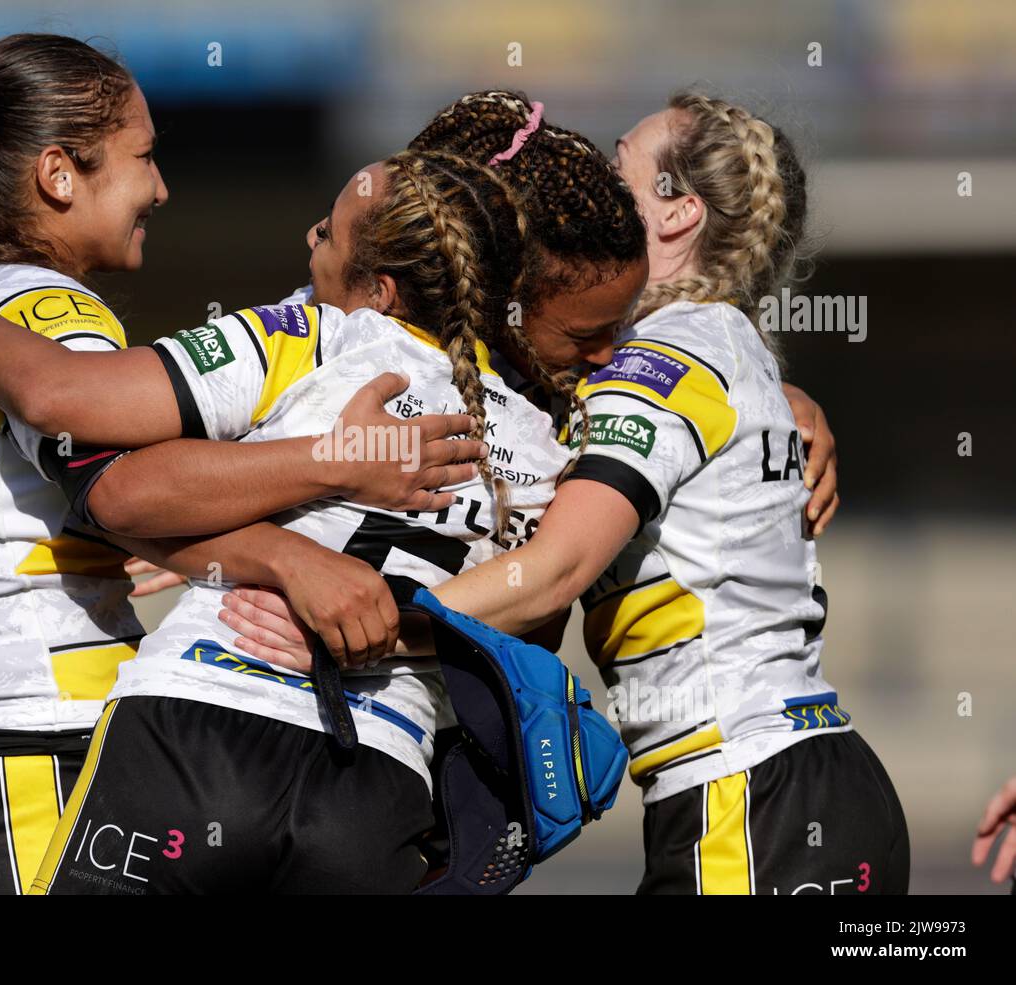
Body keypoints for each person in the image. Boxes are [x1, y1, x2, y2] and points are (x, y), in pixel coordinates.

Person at [219, 91, 907, 895]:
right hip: (784, 781)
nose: (589, 187)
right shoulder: (705, 347)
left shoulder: (667, 357)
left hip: (749, 789)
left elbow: (551, 572)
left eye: (619, 172)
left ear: (678, 214)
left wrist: (354, 626)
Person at [0, 32, 480, 894]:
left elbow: (89, 505)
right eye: (143, 158)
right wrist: (319, 499)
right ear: (60, 174)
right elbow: (122, 488)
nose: (161, 188)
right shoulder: (41, 311)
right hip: (35, 760)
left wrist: (191, 545)